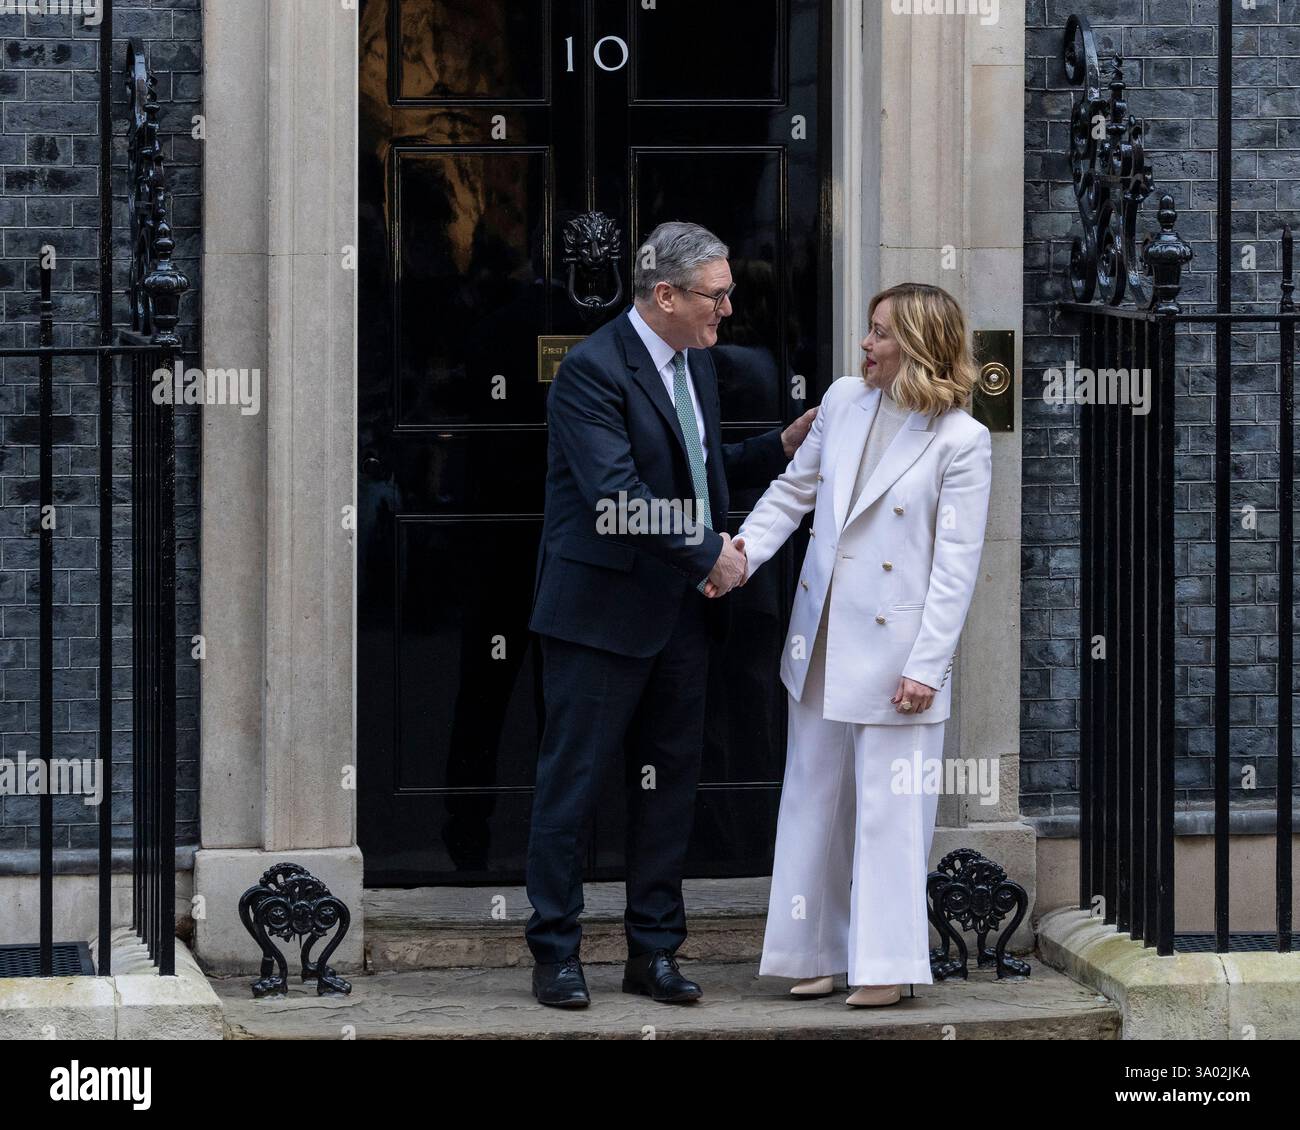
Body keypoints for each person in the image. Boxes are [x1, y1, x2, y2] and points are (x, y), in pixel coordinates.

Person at [526, 221, 817, 1008]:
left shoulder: (698, 364)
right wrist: (709, 556)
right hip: (598, 616)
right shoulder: (591, 370)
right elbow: (618, 498)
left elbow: (703, 475)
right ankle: (556, 953)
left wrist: (782, 445)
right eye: (717, 297)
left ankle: (653, 952)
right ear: (666, 295)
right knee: (572, 787)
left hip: (682, 619)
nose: (727, 310)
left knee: (670, 788)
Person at [733, 282, 993, 1007]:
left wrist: (927, 666)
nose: (865, 345)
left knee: (887, 812)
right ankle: (818, 950)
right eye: (869, 331)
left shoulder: (961, 441)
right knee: (814, 799)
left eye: (879, 333)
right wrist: (740, 558)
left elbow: (956, 565)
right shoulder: (844, 401)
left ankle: (885, 964)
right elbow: (793, 491)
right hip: (817, 640)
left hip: (896, 656)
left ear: (915, 344)